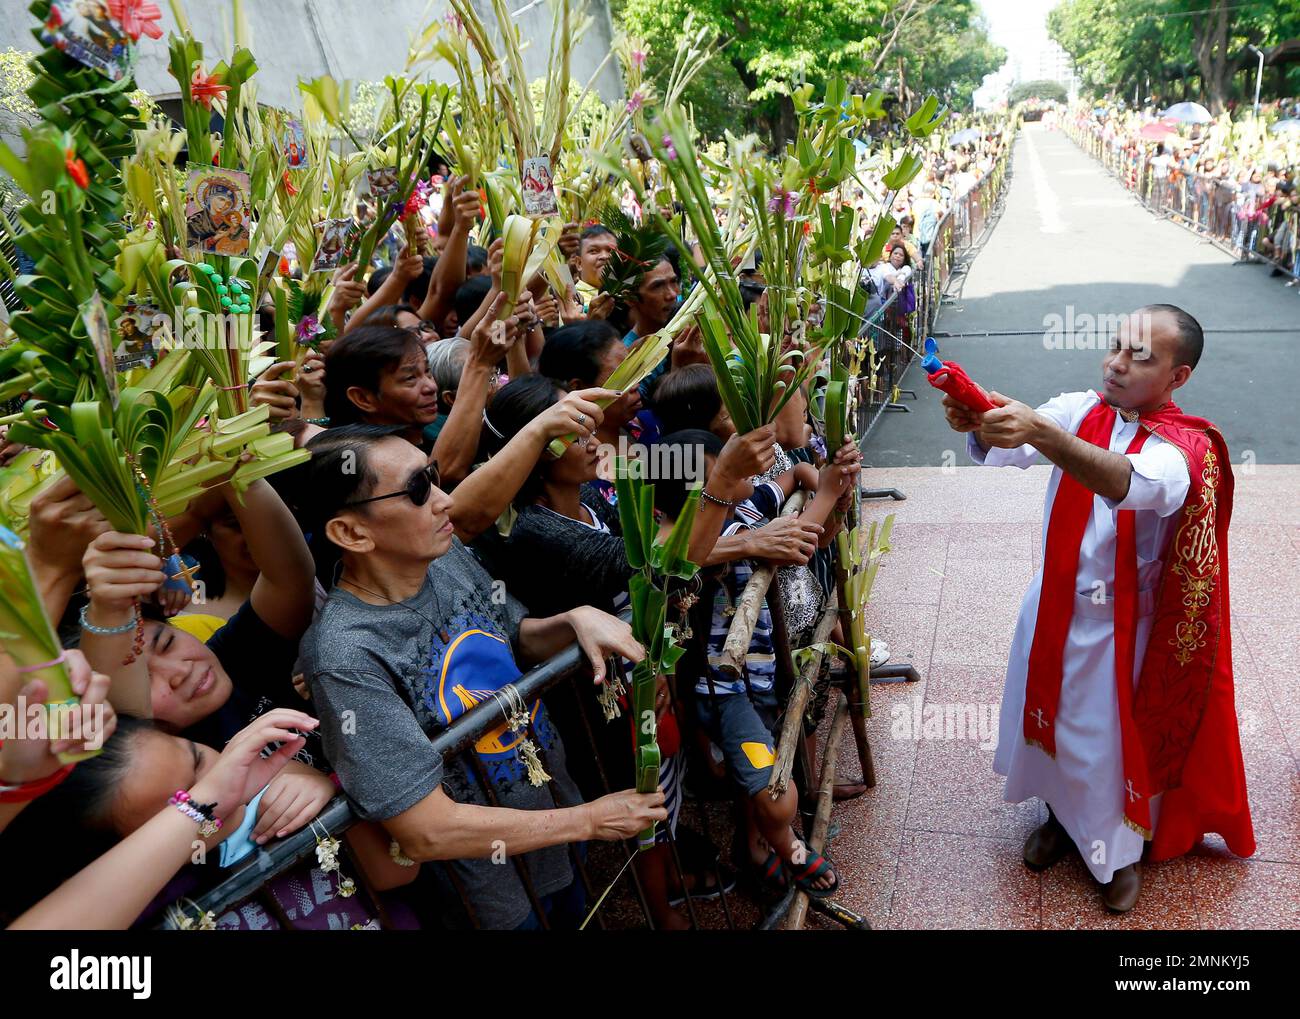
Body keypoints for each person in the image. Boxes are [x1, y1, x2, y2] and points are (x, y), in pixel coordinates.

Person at [942, 304, 1254, 913]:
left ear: (1177, 376)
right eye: (1116, 346)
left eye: (1141, 357)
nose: (1116, 364)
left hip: (1123, 630)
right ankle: (1061, 817)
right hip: (1053, 606)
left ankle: (1116, 854)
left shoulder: (1187, 448)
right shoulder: (1079, 407)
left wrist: (1040, 433)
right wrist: (982, 420)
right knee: (1051, 727)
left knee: (1106, 748)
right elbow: (1016, 445)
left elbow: (1126, 482)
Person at [296, 425, 667, 929]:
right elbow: (424, 830)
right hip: (490, 892)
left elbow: (513, 635)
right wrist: (591, 820)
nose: (445, 501)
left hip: (552, 828)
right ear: (351, 533)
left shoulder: (444, 556)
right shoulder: (344, 656)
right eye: (418, 490)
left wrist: (574, 619)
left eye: (433, 475)